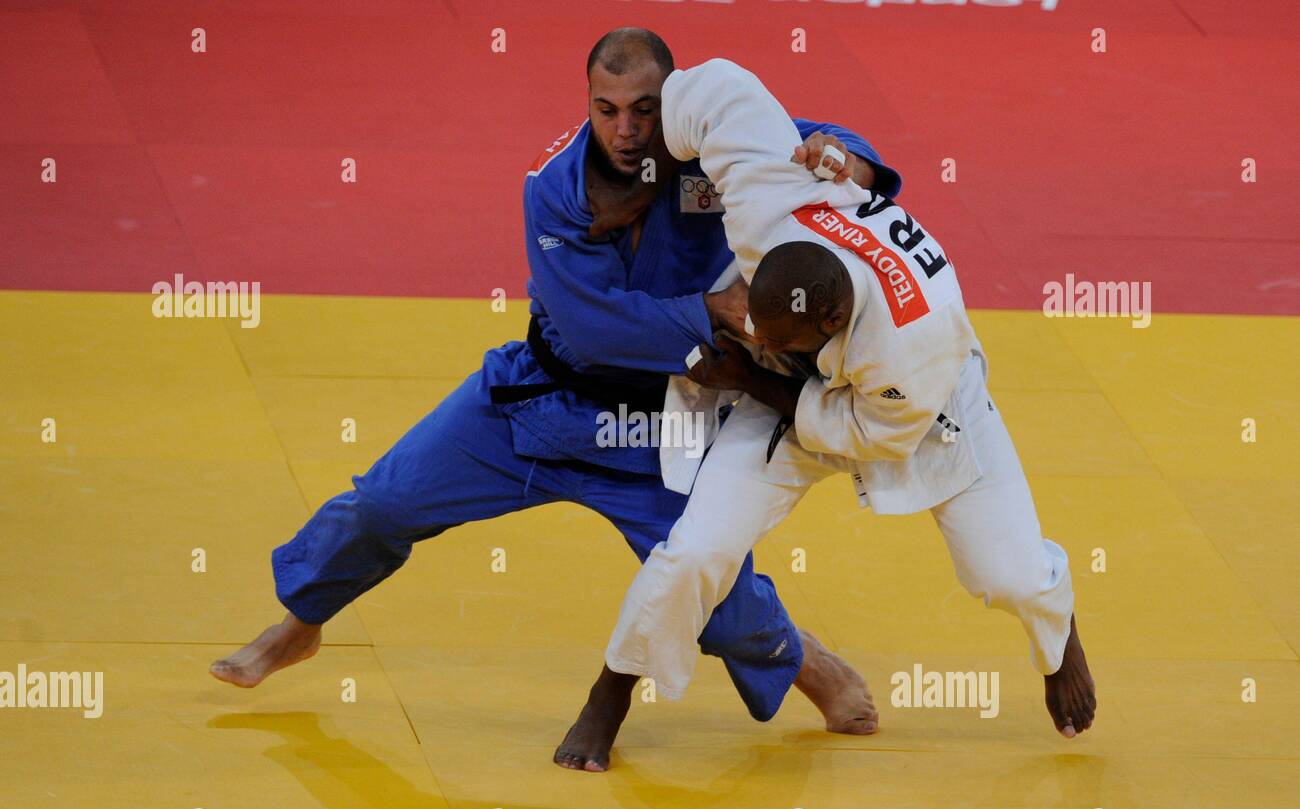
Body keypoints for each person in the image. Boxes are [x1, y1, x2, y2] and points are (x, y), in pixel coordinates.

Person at [210, 29, 904, 770]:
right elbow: (593, 328)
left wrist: (848, 154)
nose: (627, 130)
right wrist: (714, 308)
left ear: (675, 102)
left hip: (657, 425)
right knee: (382, 504)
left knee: (721, 603)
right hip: (534, 402)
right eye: (606, 110)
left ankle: (808, 663)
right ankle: (303, 620)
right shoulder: (557, 187)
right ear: (588, 105)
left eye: (644, 108)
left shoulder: (713, 150)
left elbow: (800, 142)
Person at [600, 58, 1097, 738]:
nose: (750, 329)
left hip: (923, 413)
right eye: (754, 319)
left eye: (771, 333)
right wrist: (646, 168)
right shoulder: (768, 202)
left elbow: (876, 435)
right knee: (695, 548)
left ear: (829, 326)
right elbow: (711, 89)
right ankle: (612, 692)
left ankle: (1057, 627)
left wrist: (749, 377)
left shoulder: (910, 349)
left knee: (1007, 577)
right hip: (789, 388)